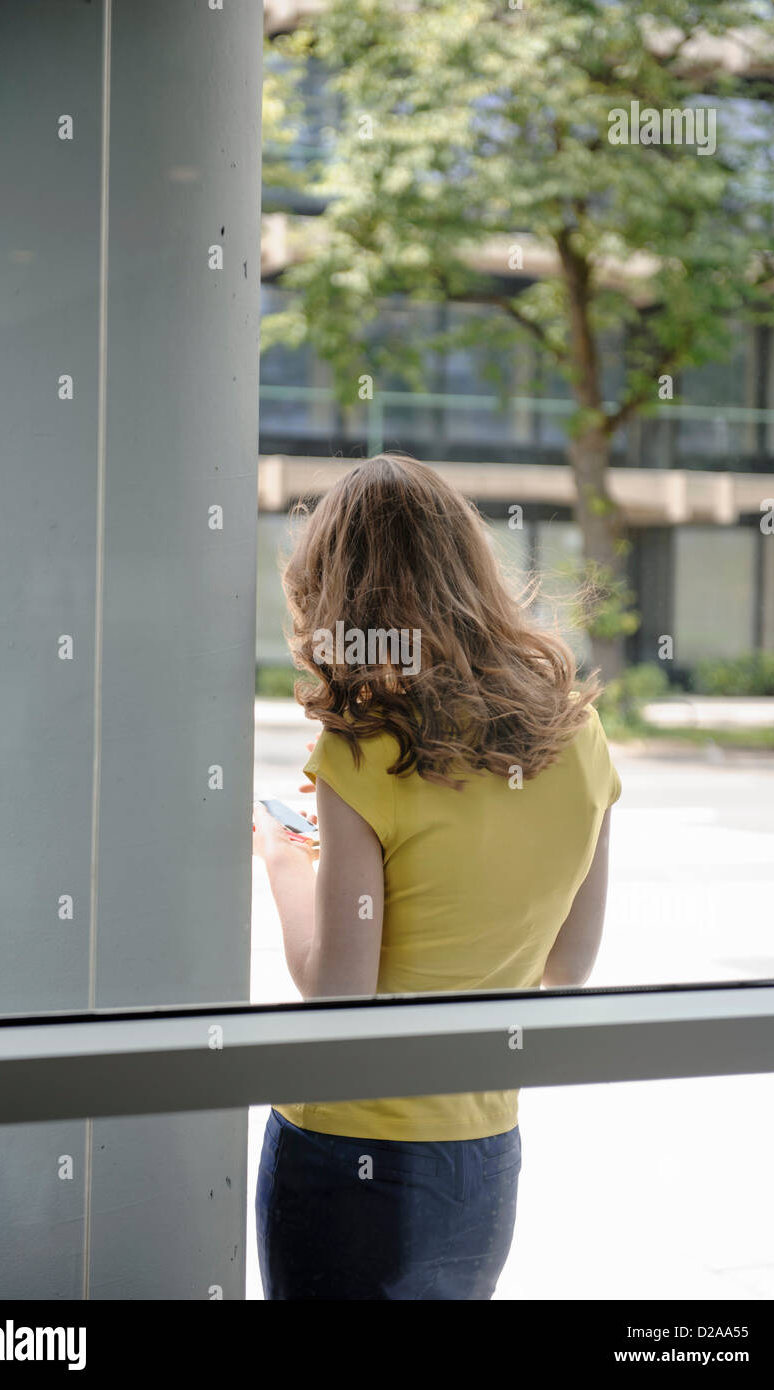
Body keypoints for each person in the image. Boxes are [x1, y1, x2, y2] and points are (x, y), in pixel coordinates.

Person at [252, 452, 621, 1300]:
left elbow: (340, 993)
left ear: (339, 596)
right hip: (482, 1154)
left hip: (348, 1149)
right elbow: (569, 967)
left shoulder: (360, 752)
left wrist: (281, 855)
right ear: (472, 565)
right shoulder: (577, 735)